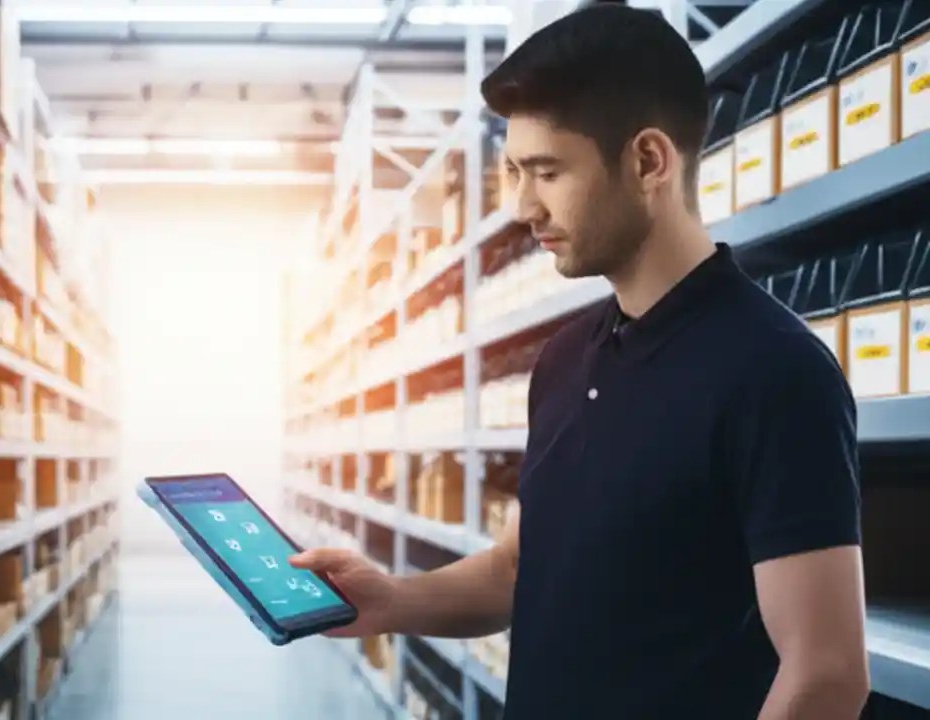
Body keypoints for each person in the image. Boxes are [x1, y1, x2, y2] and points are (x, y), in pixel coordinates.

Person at [290, 6, 870, 719]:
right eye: (512, 171)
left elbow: (828, 674)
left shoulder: (775, 371)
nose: (522, 207)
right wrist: (388, 600)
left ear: (649, 161)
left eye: (547, 172)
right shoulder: (566, 360)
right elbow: (515, 571)